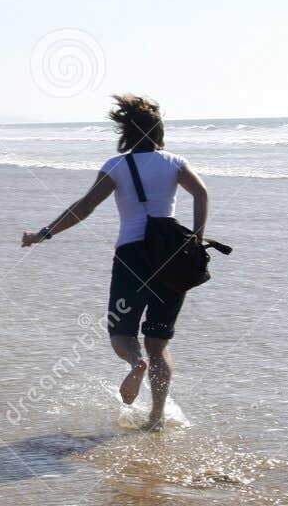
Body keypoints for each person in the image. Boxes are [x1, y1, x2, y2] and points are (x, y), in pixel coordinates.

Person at [20, 94, 210, 430]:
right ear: (158, 131)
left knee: (121, 333)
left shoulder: (117, 166)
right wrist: (195, 239)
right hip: (171, 259)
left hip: (132, 256)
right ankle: (156, 417)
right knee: (159, 343)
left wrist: (44, 233)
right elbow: (202, 193)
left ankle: (134, 363)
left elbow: (84, 207)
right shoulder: (175, 162)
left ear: (125, 133)